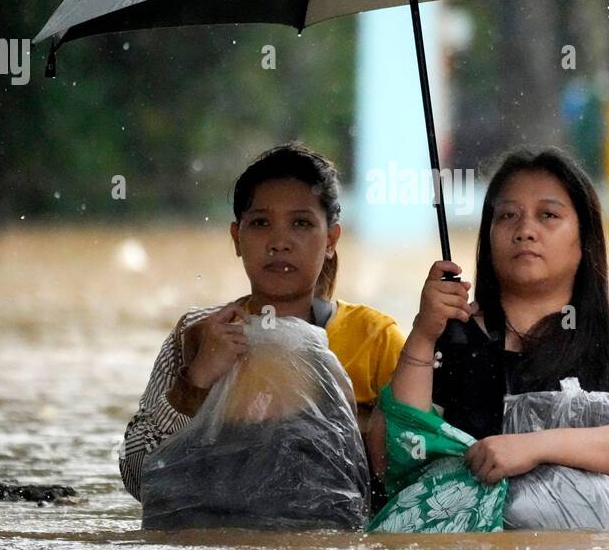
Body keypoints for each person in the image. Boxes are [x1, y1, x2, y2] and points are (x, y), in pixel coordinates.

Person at [382, 147, 609, 487]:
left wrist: (536, 447)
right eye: (508, 216)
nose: (525, 230)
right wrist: (423, 335)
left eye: (548, 215)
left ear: (584, 239)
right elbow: (391, 460)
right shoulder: (450, 337)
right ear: (488, 238)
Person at [119, 143, 406, 505]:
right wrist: (196, 382)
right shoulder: (198, 334)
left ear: (331, 240)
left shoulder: (374, 338)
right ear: (237, 238)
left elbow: (416, 470)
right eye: (260, 223)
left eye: (301, 223)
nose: (279, 242)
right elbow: (138, 477)